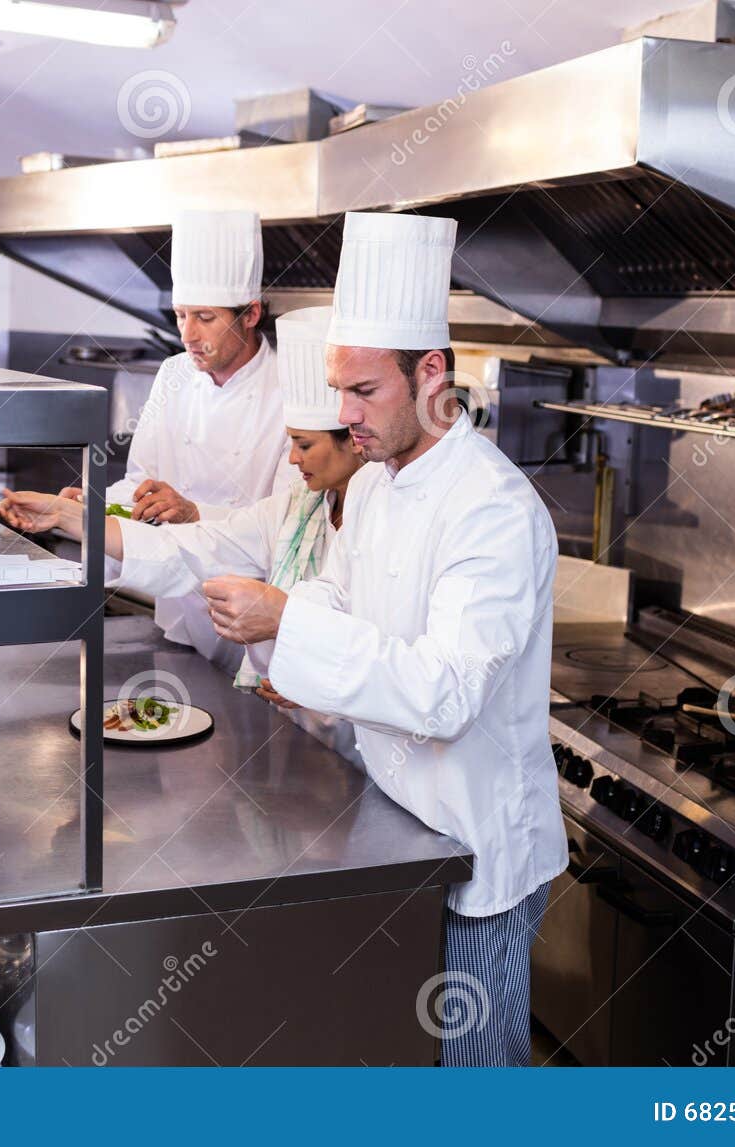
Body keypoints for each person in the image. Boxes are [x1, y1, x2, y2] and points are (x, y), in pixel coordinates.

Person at [195, 212, 568, 1066]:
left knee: (473, 1080)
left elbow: (444, 694)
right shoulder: (372, 485)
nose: (344, 416)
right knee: (391, 1050)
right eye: (338, 391)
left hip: (475, 851)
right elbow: (340, 591)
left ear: (431, 372)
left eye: (364, 392)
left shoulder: (494, 509)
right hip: (392, 828)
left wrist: (290, 626)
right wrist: (293, 630)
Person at [0, 307, 362, 759]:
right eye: (181, 315)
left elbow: (389, 653)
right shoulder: (299, 507)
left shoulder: (380, 518)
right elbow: (193, 548)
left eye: (303, 444)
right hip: (293, 724)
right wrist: (68, 515)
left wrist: (316, 672)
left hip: (361, 744)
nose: (291, 458)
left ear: (355, 438)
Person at [57, 210, 293, 672]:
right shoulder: (173, 374)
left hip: (254, 621)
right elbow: (141, 483)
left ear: (251, 314)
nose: (188, 334)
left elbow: (290, 525)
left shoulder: (292, 390)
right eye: (182, 315)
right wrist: (96, 506)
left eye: (205, 317)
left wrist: (195, 512)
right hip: (179, 610)